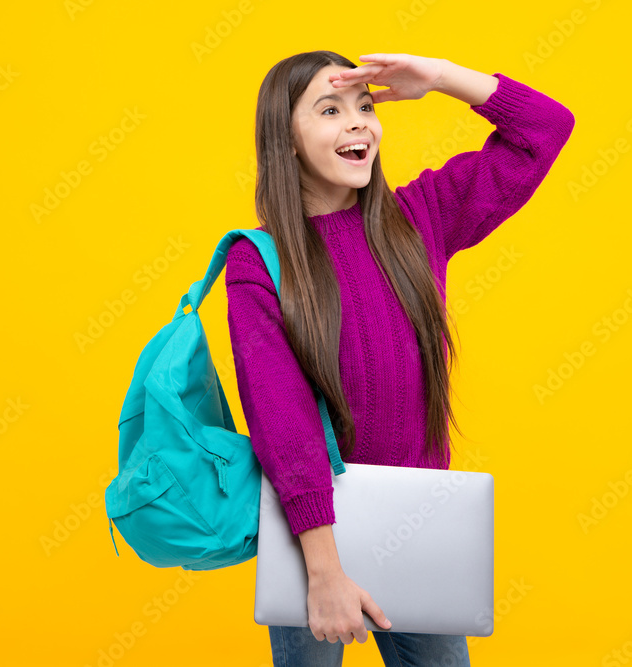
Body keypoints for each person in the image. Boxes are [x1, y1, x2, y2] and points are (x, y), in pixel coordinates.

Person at [225, 50, 575, 667]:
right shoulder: (260, 262)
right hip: (311, 534)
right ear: (286, 137)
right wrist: (325, 570)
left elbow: (545, 129)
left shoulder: (421, 217)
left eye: (365, 106)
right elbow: (283, 422)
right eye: (330, 110)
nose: (358, 122)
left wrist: (439, 78)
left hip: (415, 523)